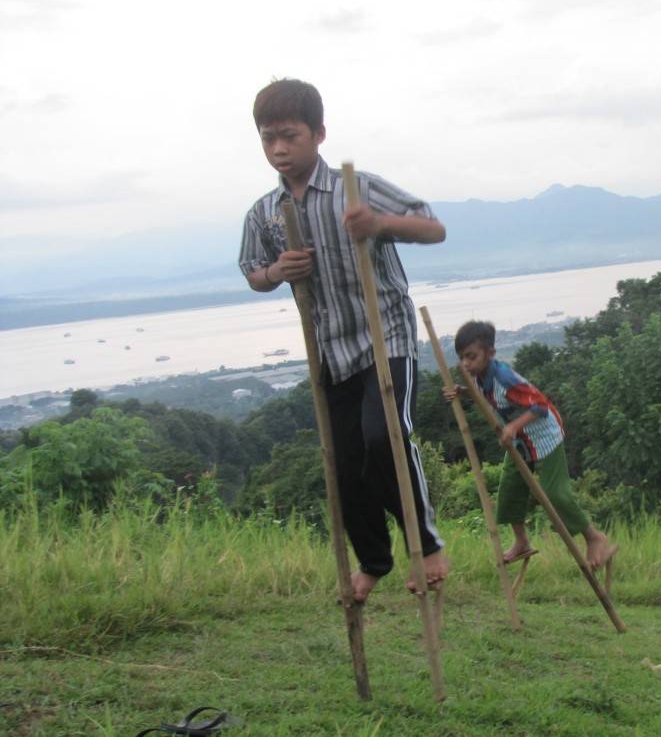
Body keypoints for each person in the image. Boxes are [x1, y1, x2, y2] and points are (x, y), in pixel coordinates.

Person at [239, 78, 449, 602]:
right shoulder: (264, 213)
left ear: (318, 134)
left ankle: (426, 547)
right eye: (268, 139)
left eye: (289, 136)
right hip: (329, 351)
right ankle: (374, 561)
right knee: (346, 460)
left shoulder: (356, 190)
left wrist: (377, 223)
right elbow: (252, 272)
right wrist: (277, 271)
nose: (279, 149)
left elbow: (433, 227)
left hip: (386, 338)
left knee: (385, 441)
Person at [444, 320, 617, 570]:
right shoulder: (478, 376)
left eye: (471, 356)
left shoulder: (504, 377)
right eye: (462, 358)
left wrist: (512, 427)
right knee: (509, 490)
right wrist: (463, 391)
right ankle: (521, 541)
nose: (466, 364)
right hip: (520, 441)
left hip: (544, 437)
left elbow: (540, 407)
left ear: (490, 353)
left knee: (554, 493)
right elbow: (486, 395)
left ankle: (593, 536)